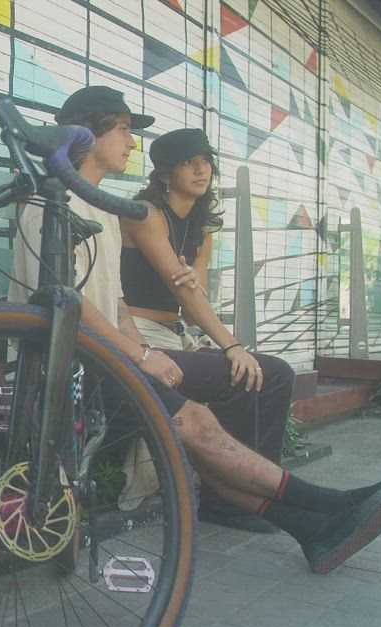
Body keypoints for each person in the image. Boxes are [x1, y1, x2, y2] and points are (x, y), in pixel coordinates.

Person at [9, 86, 381, 573]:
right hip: (70, 369)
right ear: (85, 131)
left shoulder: (104, 208)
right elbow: (66, 303)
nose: (132, 143)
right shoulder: (48, 203)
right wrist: (142, 357)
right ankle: (331, 506)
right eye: (123, 129)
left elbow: (115, 304)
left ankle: (314, 527)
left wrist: (143, 354)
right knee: (197, 422)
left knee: (243, 387)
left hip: (110, 357)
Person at [119, 128, 291, 532]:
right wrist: (232, 345)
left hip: (178, 331)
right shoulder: (145, 213)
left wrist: (195, 277)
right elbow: (180, 286)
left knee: (272, 374)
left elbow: (193, 304)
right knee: (240, 367)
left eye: (206, 161)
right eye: (188, 162)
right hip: (138, 332)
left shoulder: (201, 227)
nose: (202, 169)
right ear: (165, 173)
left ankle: (242, 495)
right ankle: (228, 500)